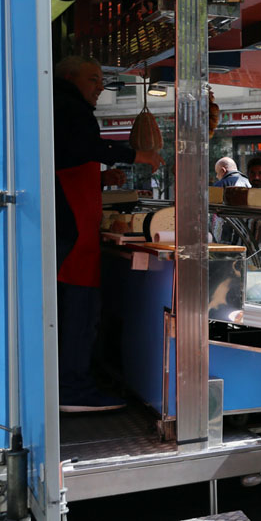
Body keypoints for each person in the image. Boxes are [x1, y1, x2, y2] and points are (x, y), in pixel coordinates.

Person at [54, 56, 163, 412]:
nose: (100, 85)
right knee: (77, 313)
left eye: (101, 79)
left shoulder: (60, 107)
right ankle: (73, 388)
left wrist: (100, 179)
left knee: (77, 311)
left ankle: (73, 382)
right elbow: (84, 147)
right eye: (93, 78)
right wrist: (136, 155)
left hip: (76, 232)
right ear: (69, 77)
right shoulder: (67, 105)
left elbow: (66, 160)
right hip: (71, 234)